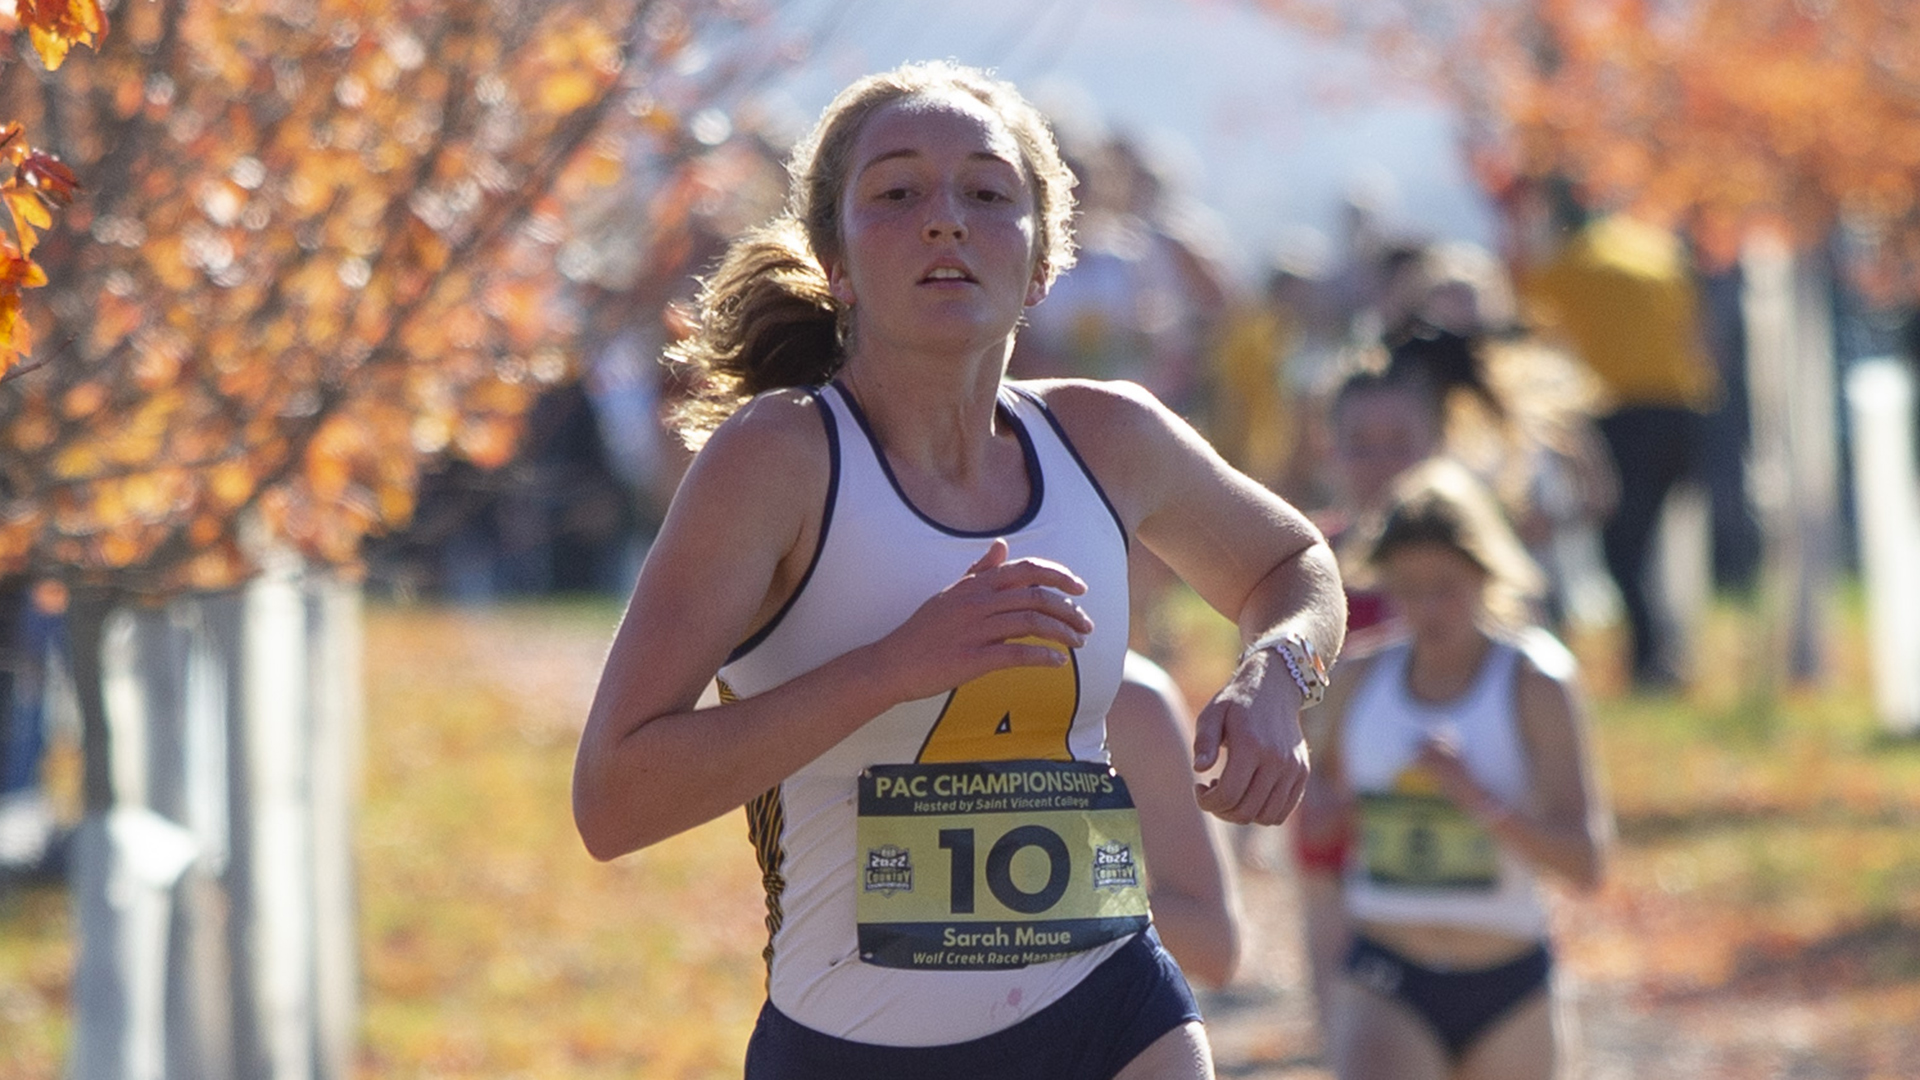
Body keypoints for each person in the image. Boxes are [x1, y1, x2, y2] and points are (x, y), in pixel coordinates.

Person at [569, 61, 1345, 1079]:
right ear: (836, 260)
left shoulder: (1108, 436)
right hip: (854, 1042)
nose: (946, 221)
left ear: (1040, 264)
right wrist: (898, 666)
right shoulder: (778, 461)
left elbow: (1294, 563)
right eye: (897, 193)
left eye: (987, 194)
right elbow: (614, 799)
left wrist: (1277, 675)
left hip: (1109, 1010)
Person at [1314, 459, 1611, 1080]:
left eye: (1446, 585)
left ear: (1486, 576)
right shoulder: (1357, 681)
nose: (1428, 607)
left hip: (1510, 981)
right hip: (1389, 974)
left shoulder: (1535, 683)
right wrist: (1346, 810)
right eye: (1408, 587)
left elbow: (1586, 862)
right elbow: (1311, 825)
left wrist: (1477, 800)